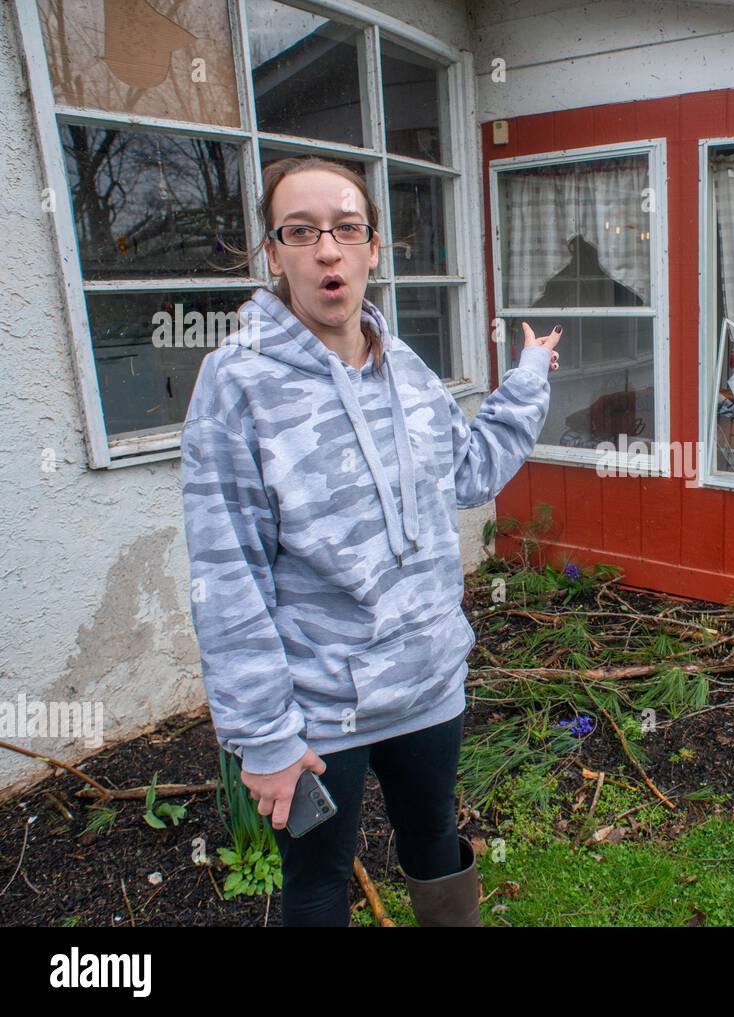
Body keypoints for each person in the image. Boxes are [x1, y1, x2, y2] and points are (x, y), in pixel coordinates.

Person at [181, 156, 560, 927]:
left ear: (374, 247)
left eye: (347, 229)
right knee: (319, 883)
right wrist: (264, 735)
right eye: (302, 231)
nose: (328, 250)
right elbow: (227, 576)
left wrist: (525, 380)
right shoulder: (237, 383)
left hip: (426, 684)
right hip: (320, 714)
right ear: (274, 252)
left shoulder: (409, 371)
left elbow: (468, 471)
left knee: (435, 842)